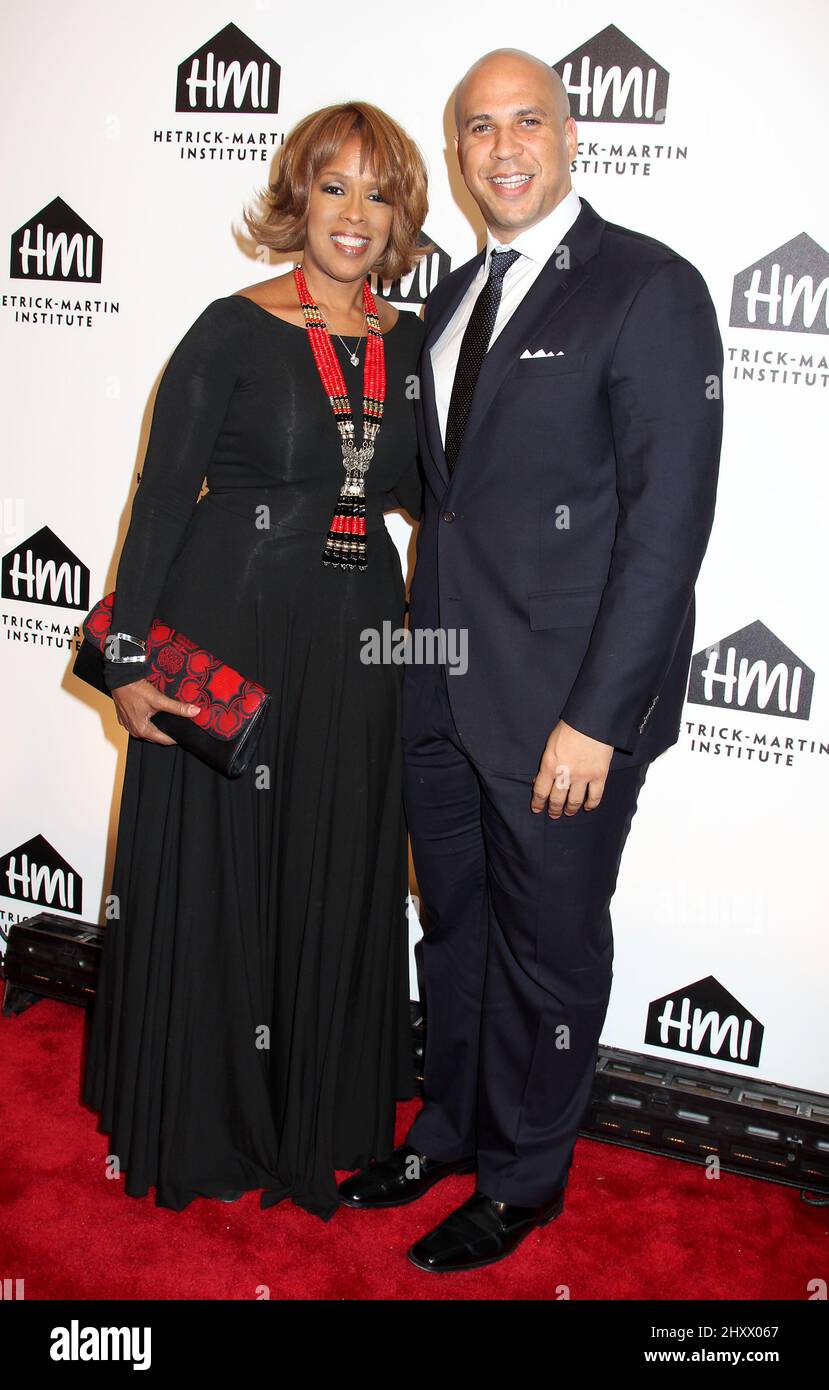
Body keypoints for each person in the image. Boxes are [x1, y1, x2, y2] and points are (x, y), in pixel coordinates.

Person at [338, 49, 724, 1271]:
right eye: (477, 131)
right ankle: (450, 1126)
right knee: (452, 927)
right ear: (453, 157)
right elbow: (441, 504)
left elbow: (667, 529)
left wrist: (598, 719)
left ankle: (525, 1178)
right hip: (440, 681)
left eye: (527, 124)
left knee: (548, 950)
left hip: (566, 709)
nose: (503, 149)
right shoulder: (450, 298)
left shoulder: (647, 287)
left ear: (571, 136)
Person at [82, 100, 427, 1222]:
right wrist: (128, 659)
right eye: (335, 186)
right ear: (297, 198)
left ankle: (318, 1113)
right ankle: (205, 1120)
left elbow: (434, 501)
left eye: (377, 193)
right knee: (224, 877)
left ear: (399, 216)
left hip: (357, 651)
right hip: (228, 641)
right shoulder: (229, 329)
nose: (354, 214)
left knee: (330, 858)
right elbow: (158, 497)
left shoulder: (407, 344)